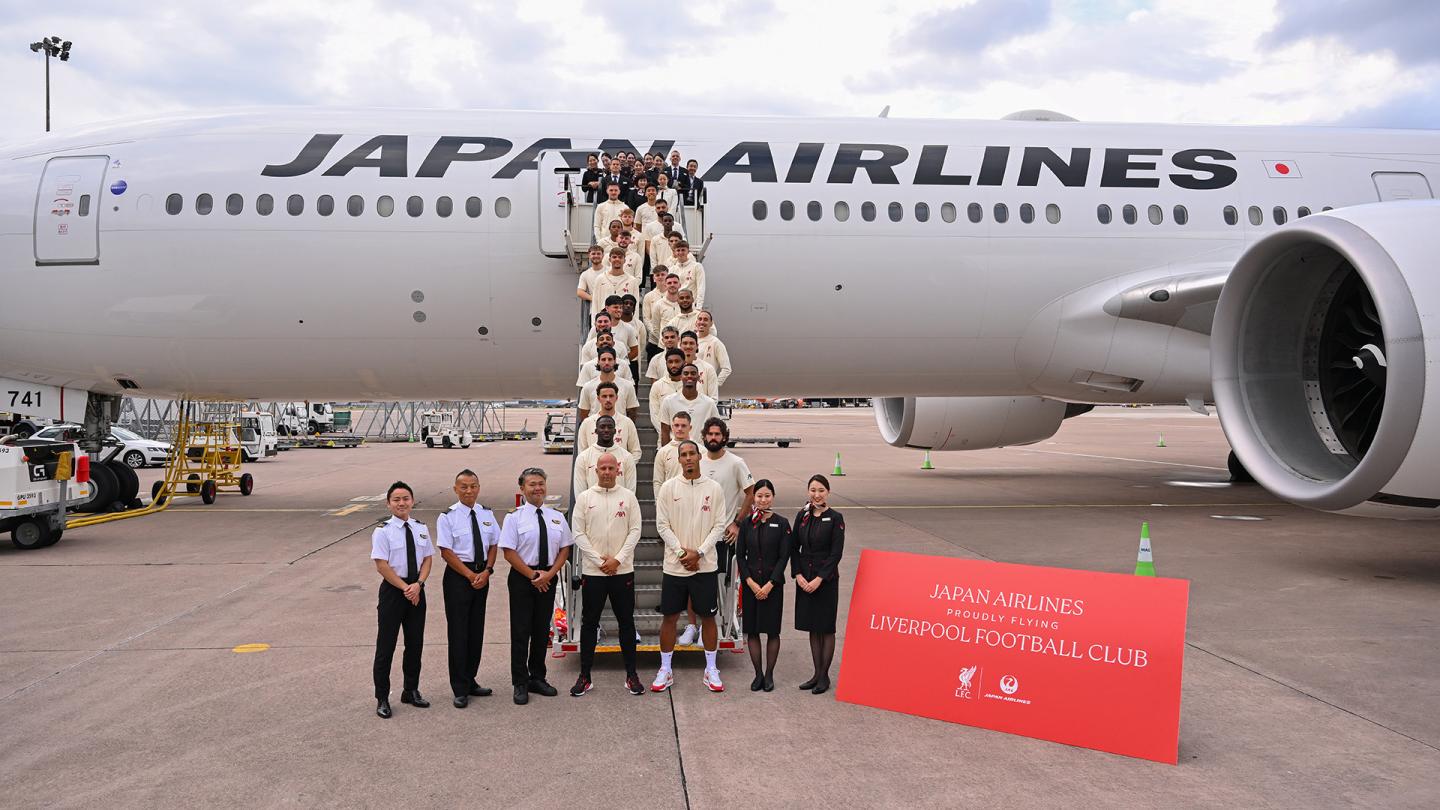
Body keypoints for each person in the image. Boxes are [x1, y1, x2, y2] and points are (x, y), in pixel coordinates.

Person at [652, 441, 728, 693]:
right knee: (670, 617)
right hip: (675, 566)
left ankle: (711, 669)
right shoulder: (668, 488)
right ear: (679, 459)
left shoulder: (714, 488)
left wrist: (701, 553)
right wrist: (683, 553)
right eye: (683, 455)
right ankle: (665, 669)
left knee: (708, 617)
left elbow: (719, 525)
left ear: (699, 456)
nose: (688, 459)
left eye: (691, 454)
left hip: (704, 567)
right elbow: (662, 525)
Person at [570, 452, 645, 697]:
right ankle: (585, 676)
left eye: (610, 468)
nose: (606, 472)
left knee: (627, 623)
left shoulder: (629, 497)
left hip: (622, 571)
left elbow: (635, 531)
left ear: (618, 470)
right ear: (596, 471)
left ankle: (631, 674)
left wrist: (617, 560)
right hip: (594, 573)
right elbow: (578, 533)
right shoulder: (584, 498)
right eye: (602, 468)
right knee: (589, 623)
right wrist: (598, 560)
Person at [677, 417, 754, 648]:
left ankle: (712, 626)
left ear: (724, 437)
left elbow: (750, 493)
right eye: (709, 434)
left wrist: (737, 522)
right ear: (704, 437)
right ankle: (692, 626)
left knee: (715, 584)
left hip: (721, 538)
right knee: (691, 582)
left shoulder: (736, 463)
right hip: (694, 535)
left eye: (717, 434)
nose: (713, 438)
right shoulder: (698, 459)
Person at [500, 468, 573, 705]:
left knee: (542, 631)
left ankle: (538, 678)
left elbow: (565, 548)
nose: (537, 488)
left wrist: (549, 574)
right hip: (523, 578)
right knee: (521, 631)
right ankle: (520, 682)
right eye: (532, 484)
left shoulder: (556, 517)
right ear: (522, 488)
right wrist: (533, 575)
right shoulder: (514, 517)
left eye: (541, 483)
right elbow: (509, 553)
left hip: (548, 578)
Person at [435, 469, 500, 708]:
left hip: (482, 575)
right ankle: (459, 688)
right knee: (459, 632)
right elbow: (446, 552)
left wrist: (487, 571)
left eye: (473, 486)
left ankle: (471, 679)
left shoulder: (486, 514)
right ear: (455, 489)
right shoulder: (448, 517)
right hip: (459, 578)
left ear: (478, 487)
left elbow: (494, 544)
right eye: (464, 487)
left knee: (476, 630)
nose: (469, 491)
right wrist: (471, 574)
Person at [371, 481, 434, 718]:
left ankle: (411, 689)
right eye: (396, 499)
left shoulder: (420, 528)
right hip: (393, 592)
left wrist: (418, 584)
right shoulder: (383, 531)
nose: (401, 503)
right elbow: (381, 565)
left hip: (417, 589)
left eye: (406, 498)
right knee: (385, 646)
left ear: (412, 501)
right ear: (389, 504)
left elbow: (428, 558)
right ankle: (382, 697)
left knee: (415, 644)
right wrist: (406, 587)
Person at [736, 480, 791, 691]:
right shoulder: (748, 523)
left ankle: (769, 675)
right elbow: (741, 556)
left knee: (772, 632)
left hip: (772, 586)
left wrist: (769, 584)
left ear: (773, 498)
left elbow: (783, 557)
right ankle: (757, 674)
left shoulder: (782, 523)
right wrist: (749, 582)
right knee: (753, 632)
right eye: (759, 496)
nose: (763, 499)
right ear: (753, 498)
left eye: (767, 496)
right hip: (751, 586)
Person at [792, 474, 845, 695]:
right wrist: (798, 575)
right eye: (813, 490)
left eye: (821, 490)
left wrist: (819, 579)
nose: (816, 494)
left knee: (826, 628)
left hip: (826, 580)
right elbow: (793, 548)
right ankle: (816, 674)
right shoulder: (802, 516)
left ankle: (824, 676)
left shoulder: (835, 518)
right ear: (808, 492)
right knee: (813, 627)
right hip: (805, 578)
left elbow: (836, 553)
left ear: (828, 492)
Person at [572, 415, 637, 493]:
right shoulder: (583, 458)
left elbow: (631, 491)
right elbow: (580, 493)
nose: (606, 430)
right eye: (602, 427)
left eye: (610, 427)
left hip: (619, 504)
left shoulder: (627, 457)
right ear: (596, 431)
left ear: (615, 431)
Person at [659, 364, 719, 445]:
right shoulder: (668, 401)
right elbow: (665, 431)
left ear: (698, 377)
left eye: (693, 373)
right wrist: (666, 453)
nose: (689, 376)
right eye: (686, 373)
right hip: (676, 451)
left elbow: (716, 429)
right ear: (681, 377)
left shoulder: (709, 403)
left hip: (701, 452)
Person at [577, 382, 640, 455]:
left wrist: (623, 465)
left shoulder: (627, 423)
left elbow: (636, 451)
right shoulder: (587, 423)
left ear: (616, 398)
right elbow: (582, 453)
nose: (608, 400)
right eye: (604, 396)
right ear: (598, 399)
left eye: (611, 396)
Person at [577, 347, 639, 419]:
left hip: (620, 428)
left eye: (610, 359)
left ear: (615, 361)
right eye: (603, 359)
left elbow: (632, 412)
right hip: (595, 429)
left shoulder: (628, 386)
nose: (606, 362)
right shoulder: (587, 387)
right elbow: (584, 413)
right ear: (598, 362)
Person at [648, 348, 685, 441]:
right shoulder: (657, 386)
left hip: (689, 440)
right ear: (666, 363)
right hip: (664, 440)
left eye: (677, 361)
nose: (674, 365)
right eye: (670, 362)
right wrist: (667, 433)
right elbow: (655, 415)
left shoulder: (692, 385)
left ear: (684, 363)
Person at [652, 410, 691, 491]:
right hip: (670, 499)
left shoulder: (701, 451)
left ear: (690, 428)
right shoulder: (662, 452)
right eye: (677, 425)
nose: (680, 429)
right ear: (672, 427)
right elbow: (658, 482)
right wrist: (659, 502)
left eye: (683, 426)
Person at [678, 331, 720, 398]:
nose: (688, 346)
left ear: (697, 346)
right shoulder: (675, 369)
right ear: (680, 345)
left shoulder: (708, 369)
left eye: (691, 343)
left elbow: (713, 398)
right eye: (685, 343)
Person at [695, 311, 731, 387]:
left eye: (705, 319)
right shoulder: (689, 340)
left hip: (705, 388)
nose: (702, 322)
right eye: (700, 319)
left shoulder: (715, 342)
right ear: (696, 322)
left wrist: (714, 385)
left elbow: (727, 369)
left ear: (711, 323)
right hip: (689, 387)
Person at [670, 241, 706, 309]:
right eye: (678, 250)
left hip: (692, 306)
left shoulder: (697, 266)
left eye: (683, 250)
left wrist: (699, 307)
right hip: (677, 307)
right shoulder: (672, 269)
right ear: (674, 252)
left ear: (688, 251)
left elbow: (701, 287)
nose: (680, 253)